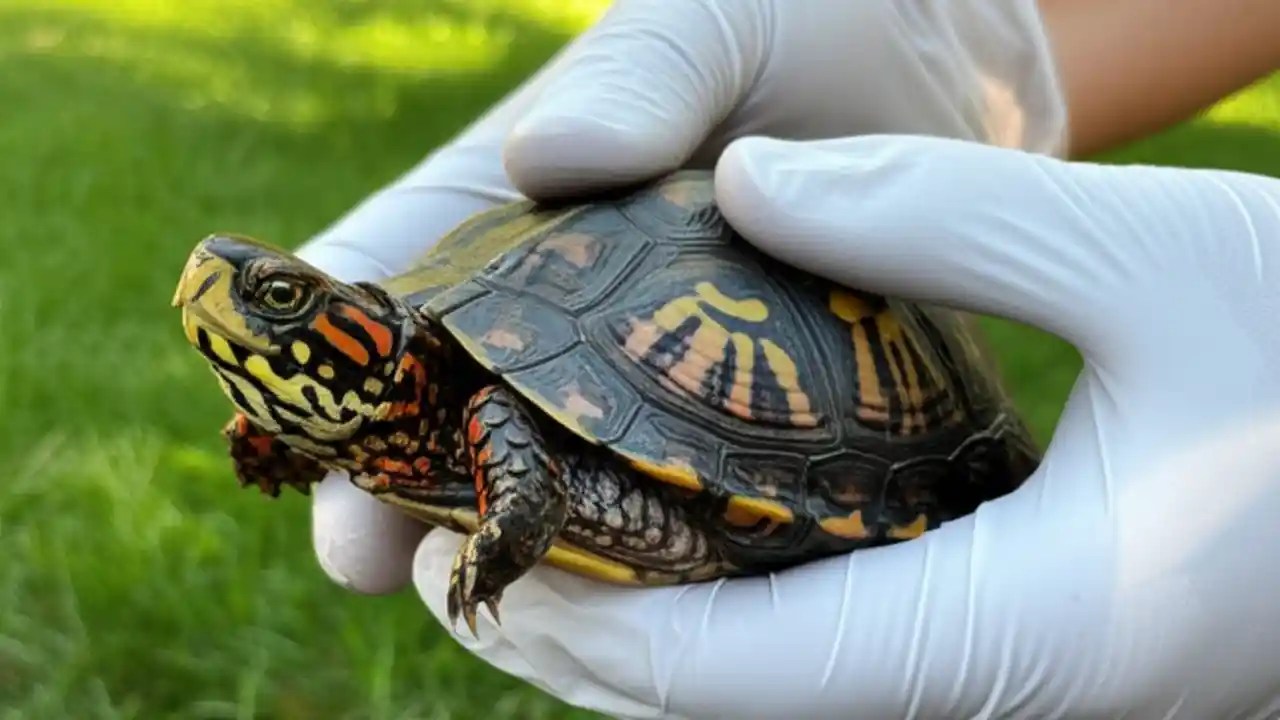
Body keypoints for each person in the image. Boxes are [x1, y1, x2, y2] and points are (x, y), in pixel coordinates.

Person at [291, 1, 1280, 717]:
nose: (227, 286)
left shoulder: (476, 418)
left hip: (818, 463)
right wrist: (987, 53)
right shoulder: (406, 391)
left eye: (281, 300)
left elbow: (501, 415)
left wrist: (511, 509)